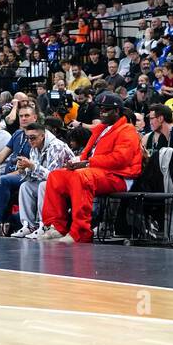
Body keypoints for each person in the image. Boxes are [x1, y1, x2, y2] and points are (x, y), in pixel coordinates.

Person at [39, 92, 141, 244]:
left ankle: (80, 231)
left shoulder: (127, 130)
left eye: (106, 109)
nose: (102, 112)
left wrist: (87, 163)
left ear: (117, 111)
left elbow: (120, 159)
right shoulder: (101, 128)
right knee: (56, 176)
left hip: (119, 176)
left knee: (81, 177)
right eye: (100, 109)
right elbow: (87, 155)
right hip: (98, 171)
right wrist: (76, 162)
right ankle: (57, 226)